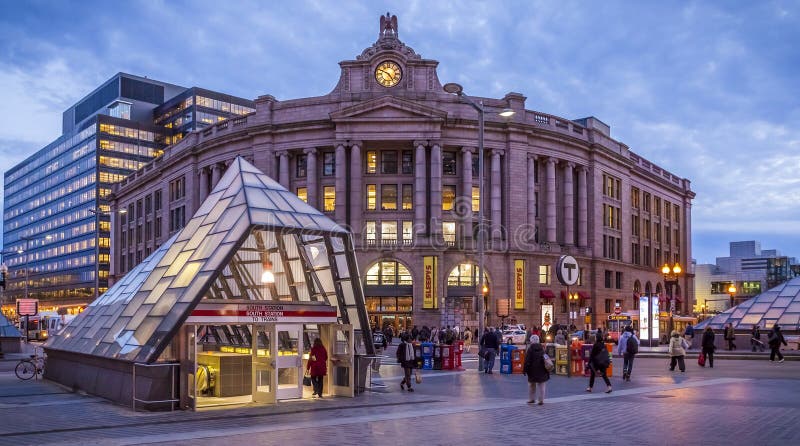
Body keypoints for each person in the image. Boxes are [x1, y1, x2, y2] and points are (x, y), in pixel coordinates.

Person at [522, 335, 549, 405]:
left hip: (532, 370)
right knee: (542, 385)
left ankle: (532, 399)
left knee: (532, 385)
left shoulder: (530, 349)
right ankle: (541, 400)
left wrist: (525, 370)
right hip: (542, 369)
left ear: (531, 341)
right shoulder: (542, 348)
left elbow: (527, 361)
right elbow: (545, 358)